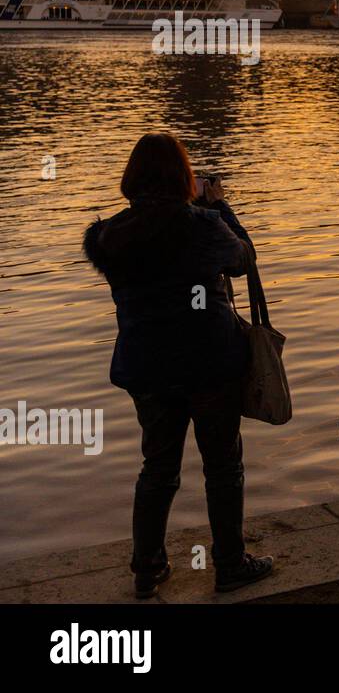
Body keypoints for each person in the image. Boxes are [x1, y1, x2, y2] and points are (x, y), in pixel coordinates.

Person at [83, 133, 274, 597]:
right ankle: (229, 565)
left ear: (132, 178)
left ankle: (146, 569)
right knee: (223, 465)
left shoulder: (109, 236)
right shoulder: (202, 225)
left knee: (157, 467)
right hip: (210, 363)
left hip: (147, 369)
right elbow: (243, 260)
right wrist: (220, 206)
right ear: (183, 177)